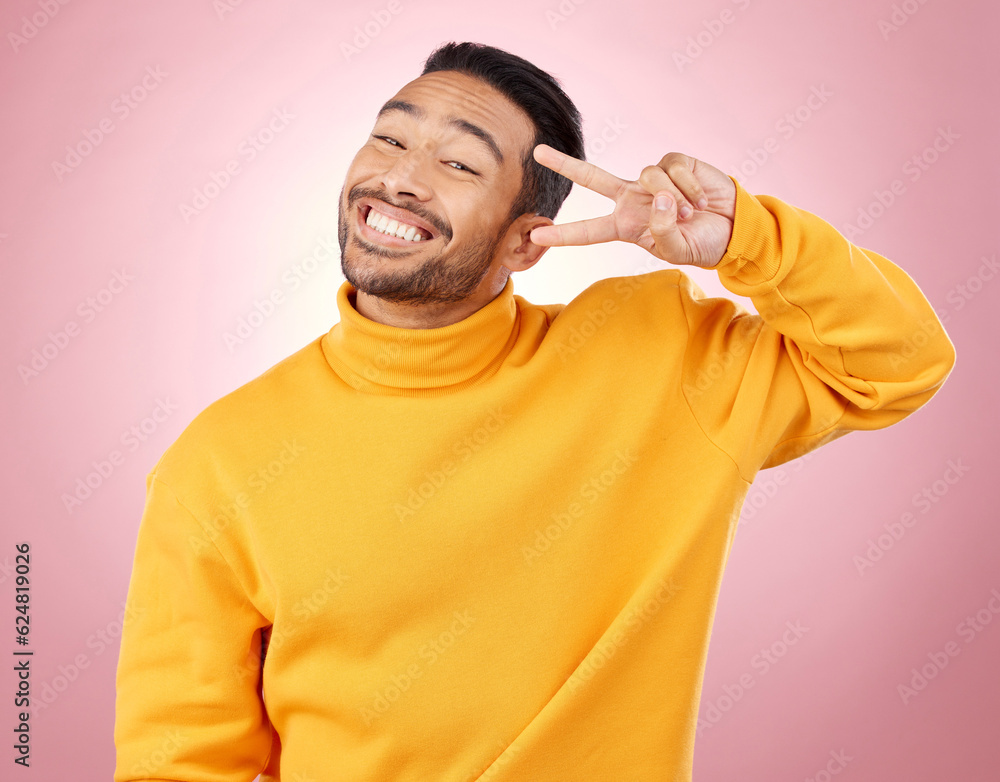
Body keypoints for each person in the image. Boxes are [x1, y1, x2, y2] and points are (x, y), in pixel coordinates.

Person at [113, 40, 956, 781]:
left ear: (526, 239)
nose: (400, 179)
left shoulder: (659, 359)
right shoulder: (220, 458)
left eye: (460, 164)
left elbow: (899, 362)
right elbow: (176, 762)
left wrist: (748, 239)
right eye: (391, 137)